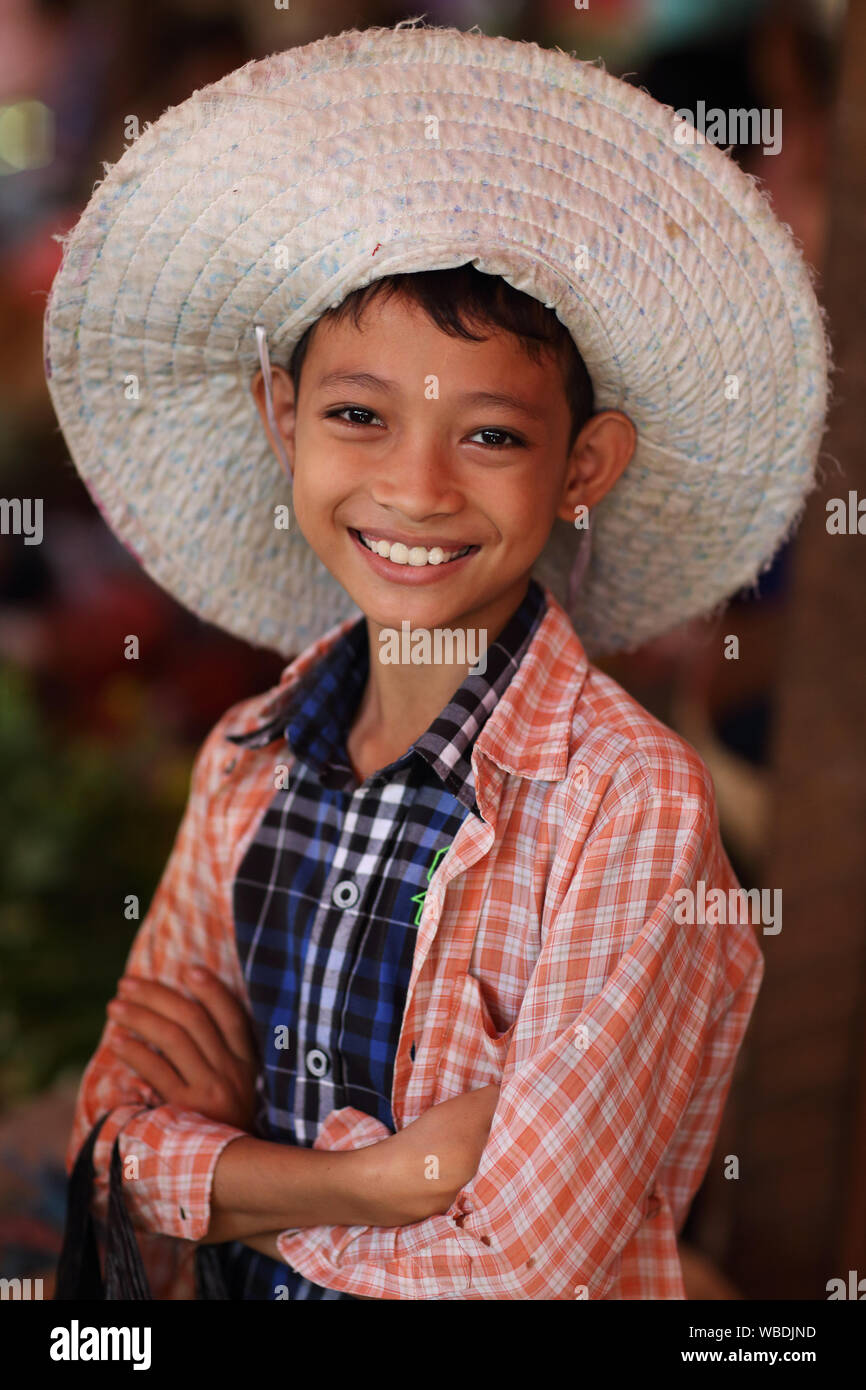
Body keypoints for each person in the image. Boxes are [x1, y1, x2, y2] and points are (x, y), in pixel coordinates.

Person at [44, 21, 829, 1299]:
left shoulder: (625, 807)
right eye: (357, 416)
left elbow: (522, 1261)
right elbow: (105, 1146)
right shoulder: (249, 757)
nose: (413, 487)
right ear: (281, 420)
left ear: (582, 469)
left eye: (489, 436)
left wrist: (219, 1185)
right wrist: (383, 1180)